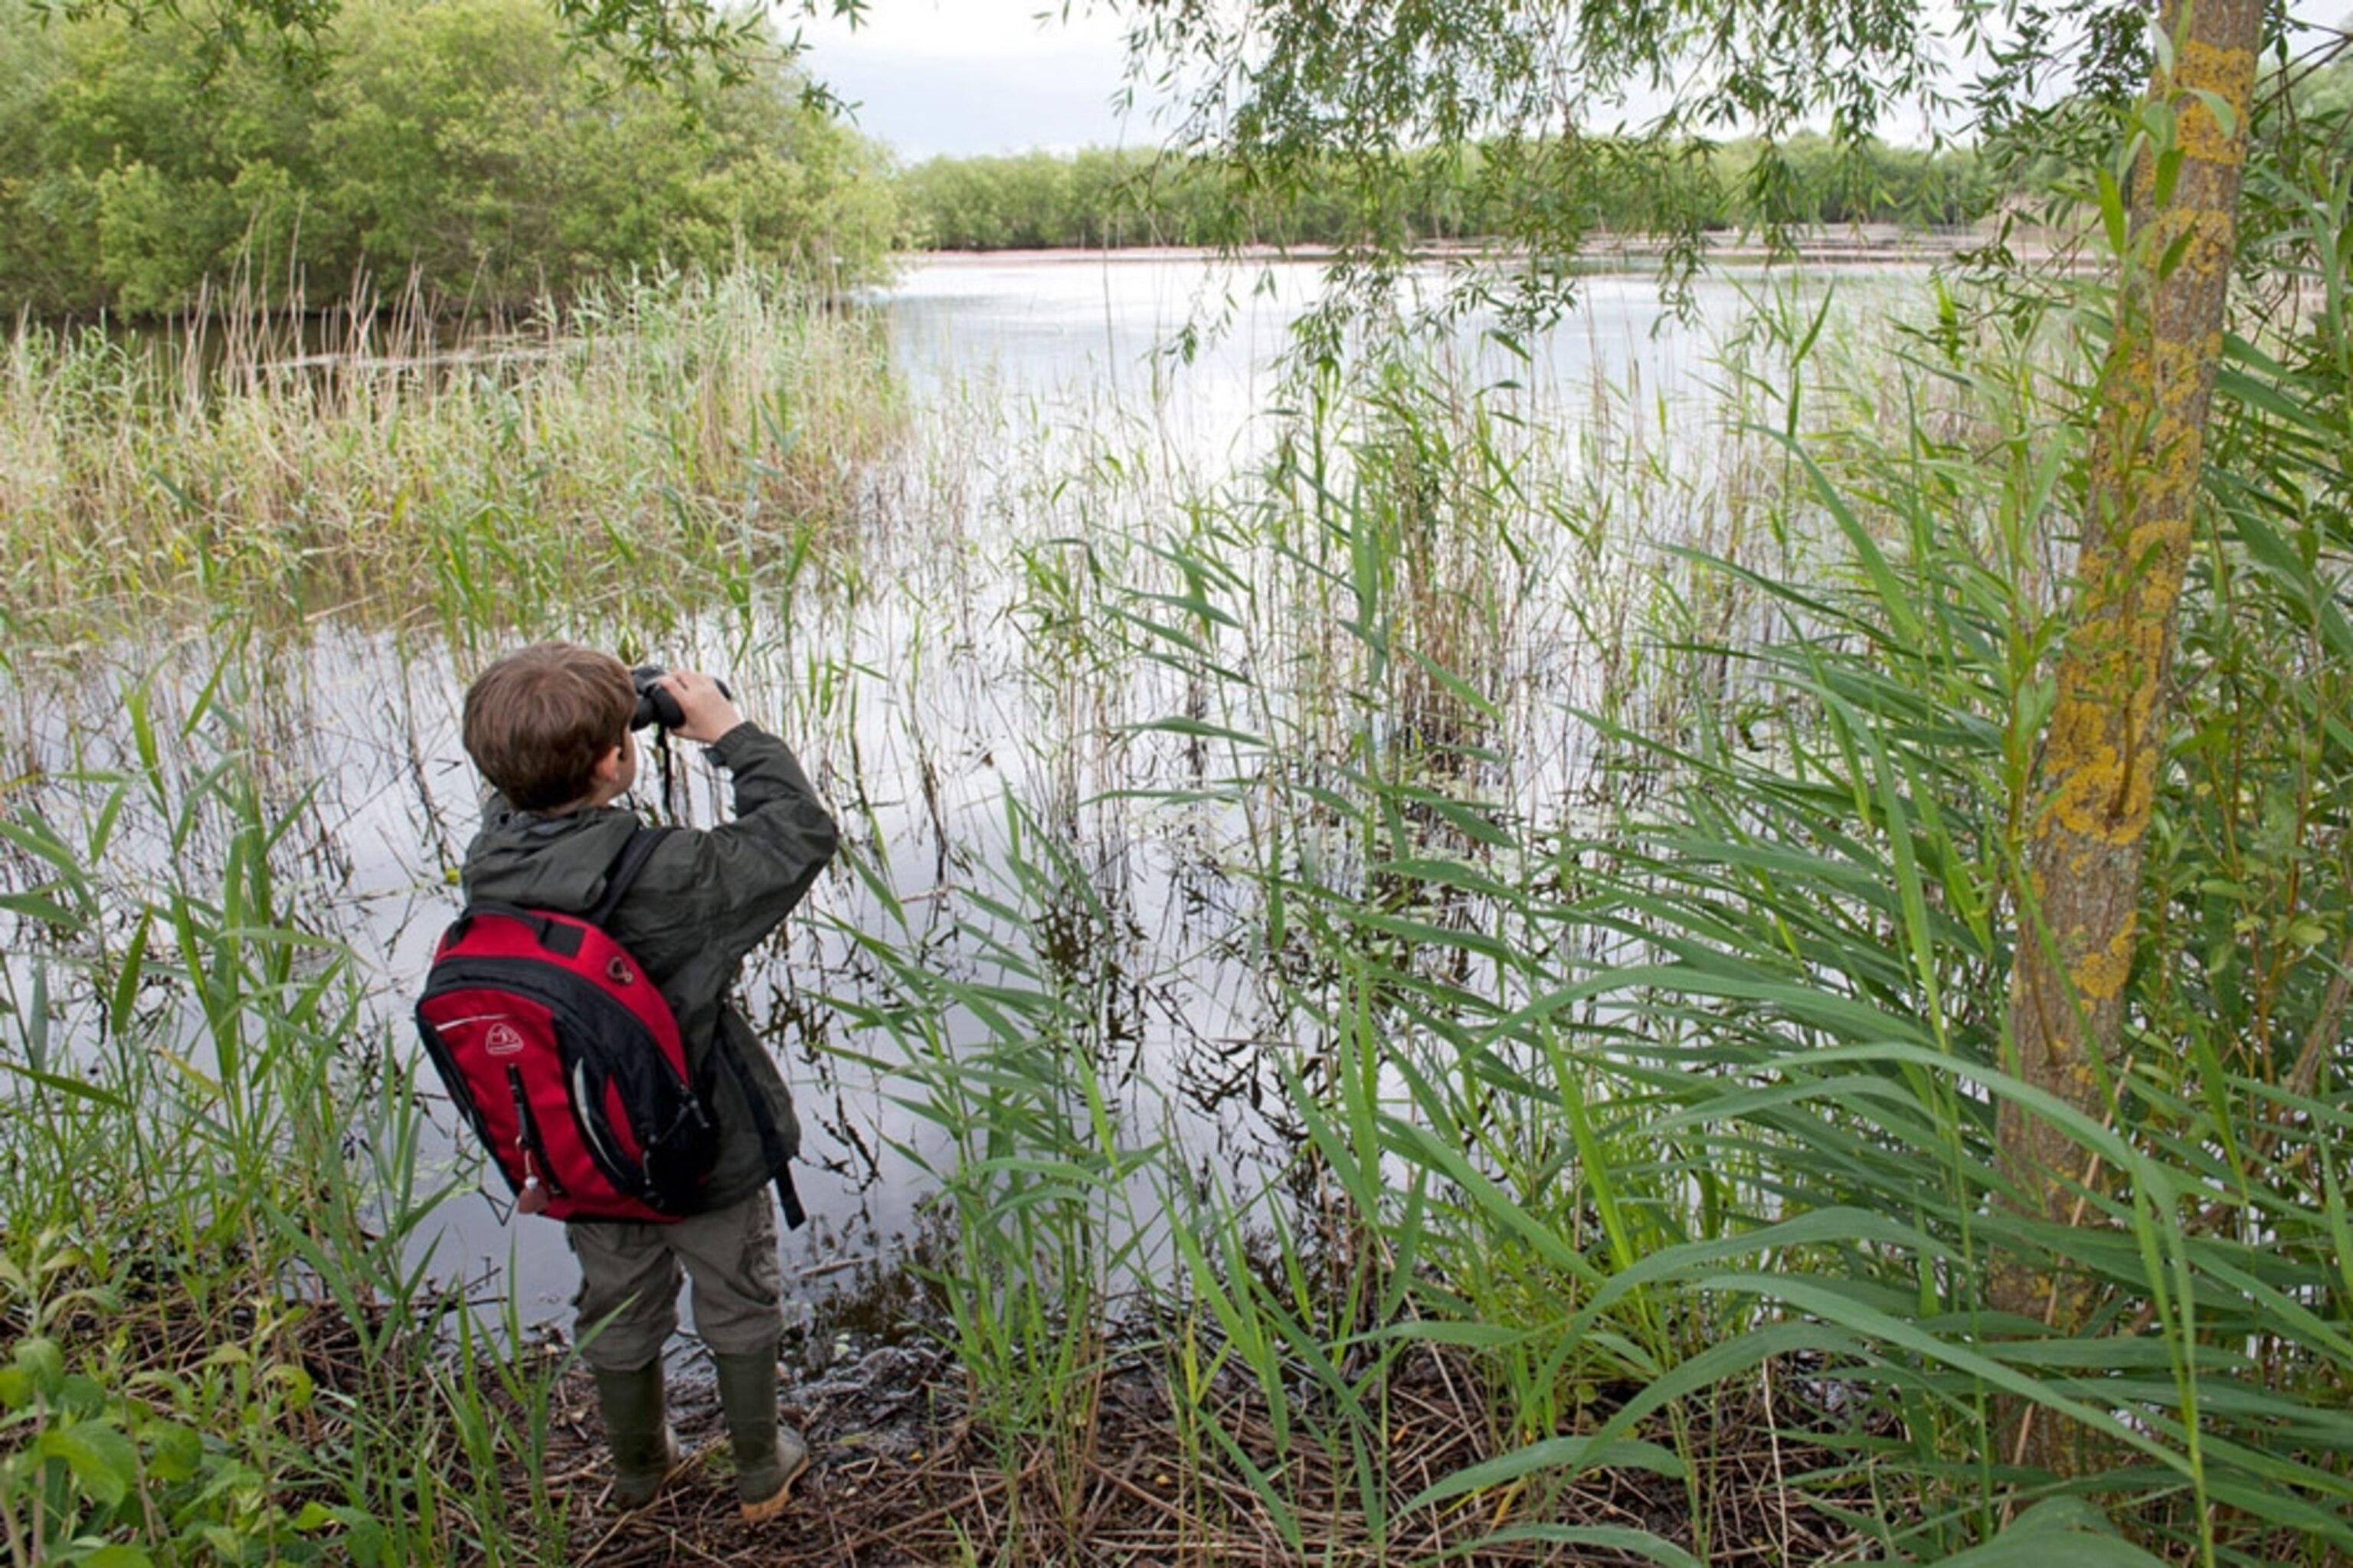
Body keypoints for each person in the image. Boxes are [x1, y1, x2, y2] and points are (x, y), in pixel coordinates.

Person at [457, 641, 839, 1521]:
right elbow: (796, 833)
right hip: (702, 1150)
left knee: (616, 1303)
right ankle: (758, 1468)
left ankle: (638, 1466)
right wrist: (727, 730)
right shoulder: (673, 876)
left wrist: (595, 725)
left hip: (582, 1148)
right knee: (738, 1299)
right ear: (614, 760)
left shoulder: (495, 854)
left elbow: (527, 782)